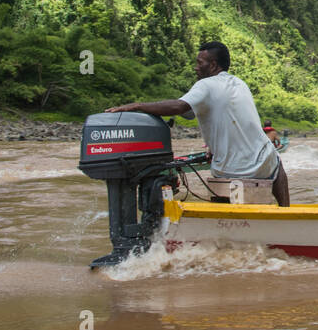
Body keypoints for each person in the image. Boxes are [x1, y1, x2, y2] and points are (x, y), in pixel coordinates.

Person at [105, 41, 290, 206]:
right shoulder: (240, 83)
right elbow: (194, 111)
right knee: (276, 162)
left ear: (213, 65)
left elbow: (179, 106)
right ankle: (285, 215)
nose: (195, 68)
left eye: (199, 63)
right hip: (264, 162)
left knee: (219, 176)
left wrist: (137, 106)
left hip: (231, 170)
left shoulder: (206, 85)